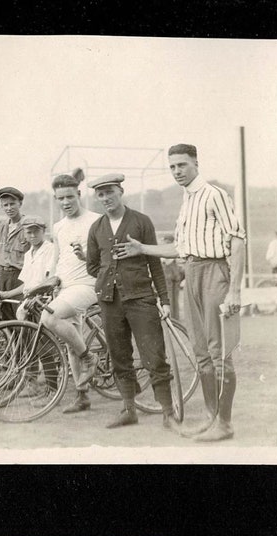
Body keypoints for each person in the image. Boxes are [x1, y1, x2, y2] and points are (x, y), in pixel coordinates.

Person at [116, 143, 246, 442]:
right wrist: (143, 248)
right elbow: (180, 249)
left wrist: (235, 292)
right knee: (200, 353)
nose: (177, 171)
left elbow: (237, 240)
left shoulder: (214, 195)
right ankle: (212, 418)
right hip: (191, 274)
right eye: (172, 166)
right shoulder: (187, 201)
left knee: (219, 352)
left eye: (182, 165)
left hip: (215, 274)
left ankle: (224, 422)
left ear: (196, 163)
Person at [85, 173, 176, 431]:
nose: (106, 198)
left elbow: (155, 264)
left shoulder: (141, 222)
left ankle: (168, 411)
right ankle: (129, 409)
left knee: (154, 355)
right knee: (119, 356)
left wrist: (165, 300)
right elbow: (93, 265)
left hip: (141, 299)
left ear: (120, 191)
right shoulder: (97, 228)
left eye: (110, 192)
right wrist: (109, 273)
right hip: (110, 302)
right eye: (100, 194)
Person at [45, 170, 101, 413]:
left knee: (50, 317)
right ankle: (82, 395)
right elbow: (57, 258)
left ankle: (89, 357)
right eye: (60, 198)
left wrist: (86, 256)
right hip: (65, 287)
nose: (66, 202)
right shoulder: (58, 226)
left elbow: (104, 257)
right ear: (56, 200)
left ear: (79, 195)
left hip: (88, 285)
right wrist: (51, 279)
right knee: (70, 341)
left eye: (70, 197)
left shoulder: (96, 221)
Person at [0, 186, 30, 315]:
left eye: (12, 204)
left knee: (21, 316)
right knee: (5, 316)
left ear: (20, 204)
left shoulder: (28, 226)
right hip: (4, 277)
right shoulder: (2, 227)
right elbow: (0, 255)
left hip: (20, 277)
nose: (9, 208)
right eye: (5, 205)